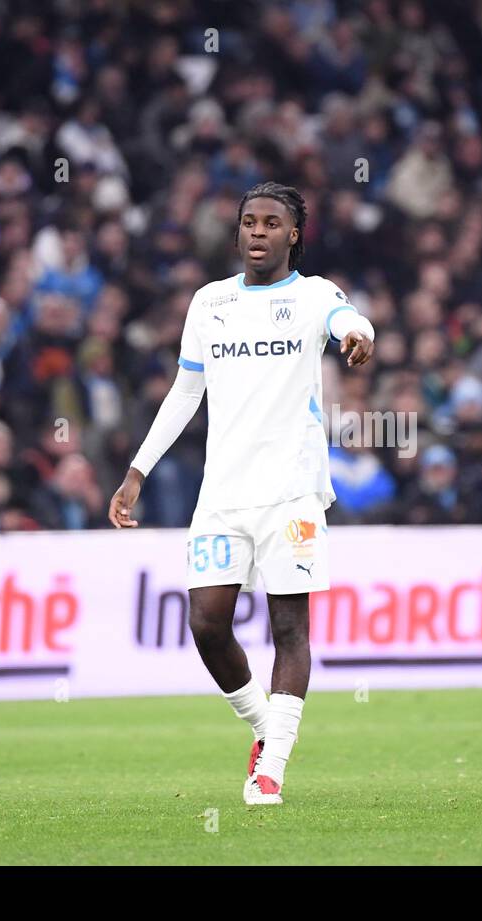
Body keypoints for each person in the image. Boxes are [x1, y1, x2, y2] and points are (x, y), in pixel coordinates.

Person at [108, 183, 375, 805]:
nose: (257, 232)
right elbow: (185, 392)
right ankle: (264, 727)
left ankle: (271, 767)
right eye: (248, 222)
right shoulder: (210, 303)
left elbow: (348, 319)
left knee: (290, 628)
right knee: (205, 623)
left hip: (292, 495)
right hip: (222, 494)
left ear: (293, 235)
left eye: (271, 223)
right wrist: (138, 470)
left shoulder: (313, 296)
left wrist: (360, 335)